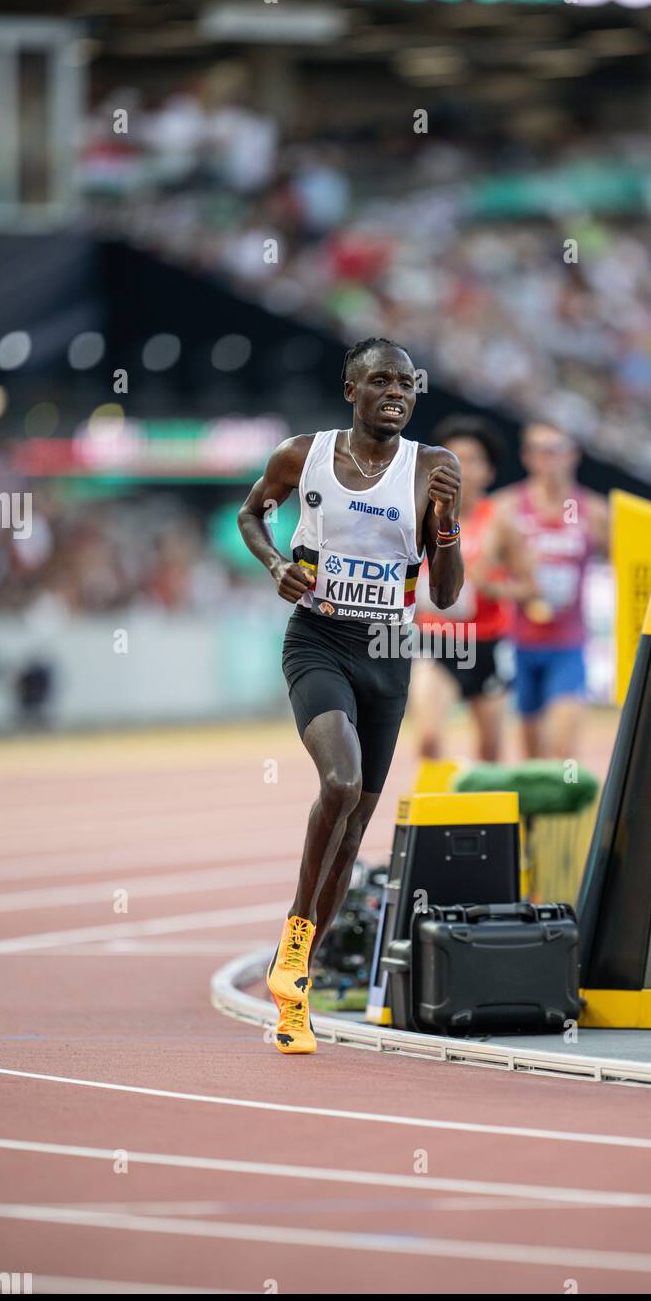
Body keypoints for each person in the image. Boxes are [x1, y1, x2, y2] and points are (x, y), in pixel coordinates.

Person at [237, 338, 462, 1053]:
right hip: (319, 641)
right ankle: (297, 949)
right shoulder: (300, 455)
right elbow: (252, 515)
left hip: (389, 654)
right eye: (381, 380)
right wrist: (276, 563)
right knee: (341, 780)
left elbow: (447, 593)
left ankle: (292, 978)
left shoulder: (433, 467)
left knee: (356, 830)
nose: (396, 391)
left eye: (407, 382)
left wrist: (450, 525)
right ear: (351, 389)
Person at [411, 415, 529, 763]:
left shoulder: (501, 520)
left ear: (489, 471)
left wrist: (492, 586)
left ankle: (481, 815)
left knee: (490, 750)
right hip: (434, 640)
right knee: (429, 740)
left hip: (487, 644)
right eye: (453, 457)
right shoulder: (419, 514)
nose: (461, 467)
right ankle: (435, 813)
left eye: (473, 459)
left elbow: (531, 587)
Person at [487, 421, 607, 761]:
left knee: (562, 748)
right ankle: (536, 815)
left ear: (574, 455)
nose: (549, 459)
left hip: (569, 645)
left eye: (557, 449)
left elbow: (630, 568)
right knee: (533, 754)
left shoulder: (596, 512)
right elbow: (479, 576)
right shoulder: (506, 507)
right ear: (527, 456)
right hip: (519, 644)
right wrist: (519, 590)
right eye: (541, 450)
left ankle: (573, 812)